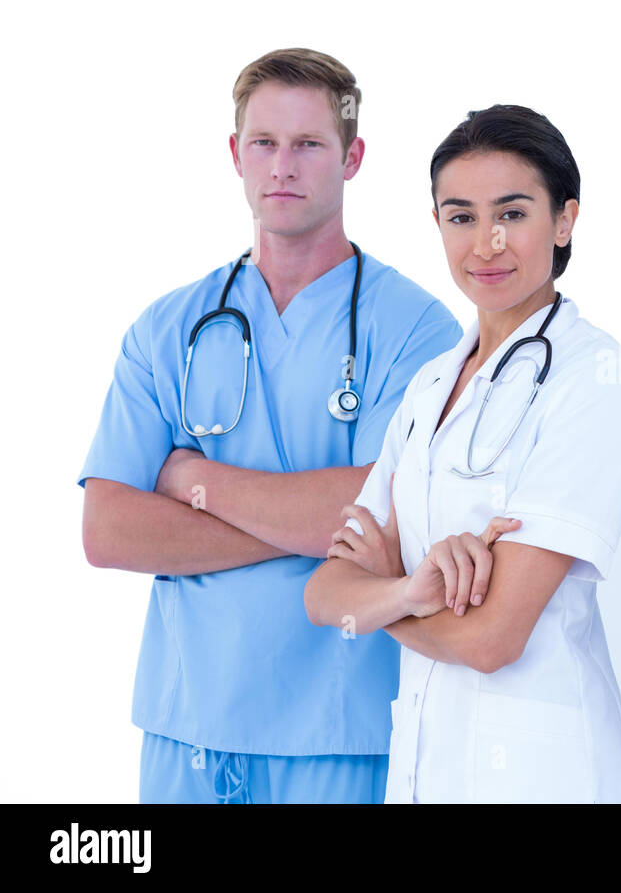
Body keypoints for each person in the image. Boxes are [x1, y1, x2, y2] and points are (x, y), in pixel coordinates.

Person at [78, 48, 462, 803]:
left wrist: (193, 480)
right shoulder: (168, 327)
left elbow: (385, 513)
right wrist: (309, 523)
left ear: (352, 157)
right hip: (186, 724)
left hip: (340, 732)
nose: (283, 166)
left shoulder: (416, 330)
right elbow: (107, 530)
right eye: (264, 142)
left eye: (309, 144)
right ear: (235, 154)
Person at [304, 104, 621, 803]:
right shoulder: (430, 385)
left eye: (513, 214)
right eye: (461, 216)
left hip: (542, 776)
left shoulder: (596, 379)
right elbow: (322, 596)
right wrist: (413, 588)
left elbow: (495, 639)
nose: (486, 243)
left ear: (564, 221)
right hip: (426, 769)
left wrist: (382, 596)